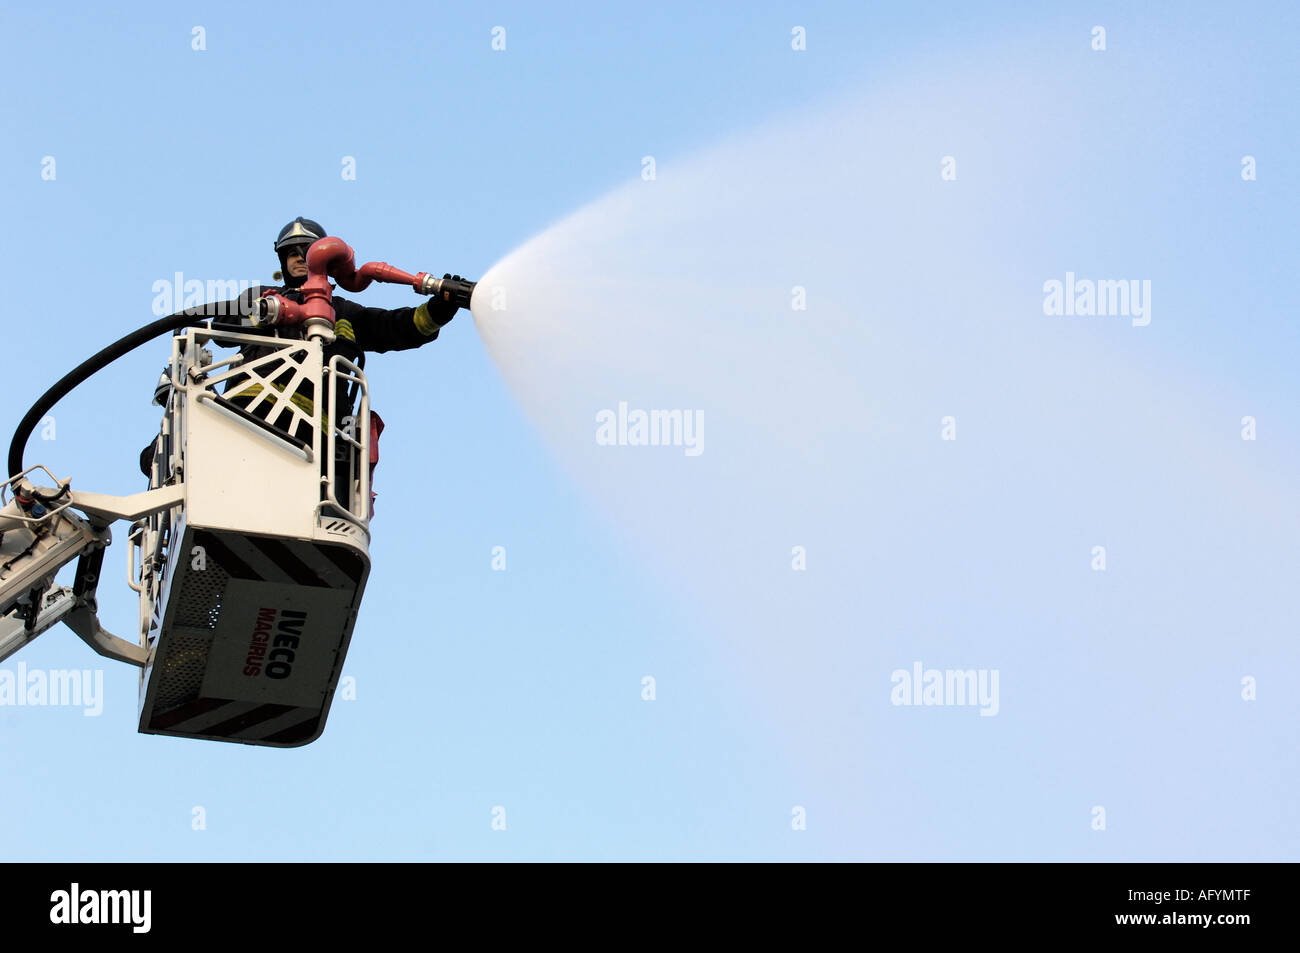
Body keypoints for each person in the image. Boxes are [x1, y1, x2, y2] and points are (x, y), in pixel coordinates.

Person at [141, 217, 470, 516]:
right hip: (253, 413)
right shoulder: (262, 296)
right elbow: (224, 329)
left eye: (307, 250)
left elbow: (399, 327)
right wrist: (268, 310)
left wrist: (438, 309)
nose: (299, 257)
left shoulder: (344, 312)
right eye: (292, 252)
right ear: (282, 261)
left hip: (317, 434)